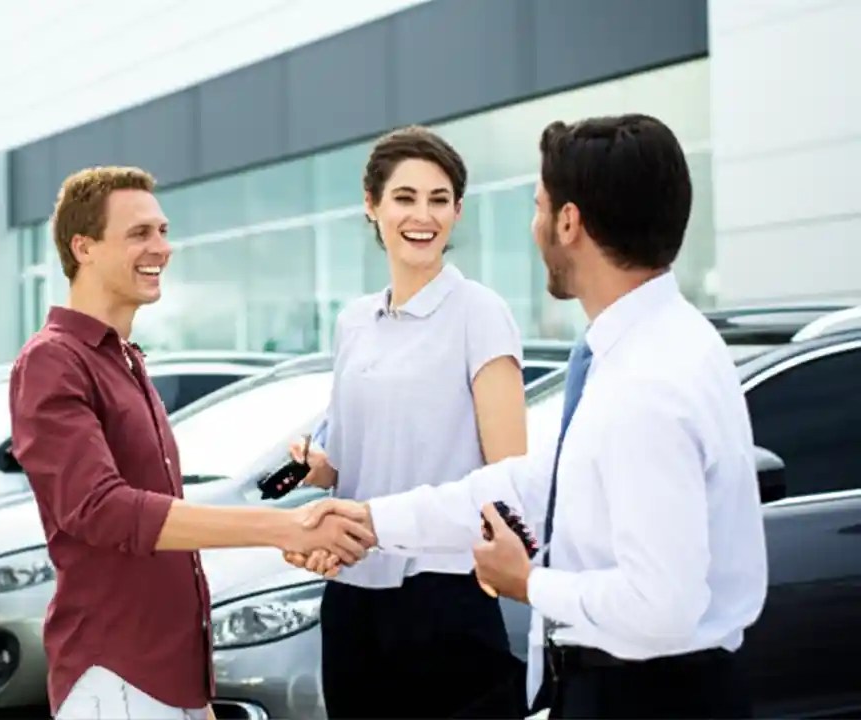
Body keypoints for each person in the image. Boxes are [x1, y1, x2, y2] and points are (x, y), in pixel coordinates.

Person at [295, 114, 768, 719]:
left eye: (539, 205)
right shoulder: (649, 348)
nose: (534, 223)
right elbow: (533, 482)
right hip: (630, 684)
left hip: (646, 693)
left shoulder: (649, 381)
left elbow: (661, 605)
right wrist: (368, 517)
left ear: (567, 222)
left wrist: (528, 584)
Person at [8, 166, 376, 720]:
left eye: (162, 231)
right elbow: (101, 509)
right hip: (113, 677)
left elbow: (162, 525)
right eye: (139, 234)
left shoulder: (125, 360)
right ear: (82, 247)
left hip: (167, 678)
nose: (162, 247)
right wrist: (284, 527)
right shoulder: (53, 359)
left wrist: (194, 696)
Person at [287, 125, 530, 719]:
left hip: (444, 594)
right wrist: (316, 469)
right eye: (405, 198)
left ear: (457, 211)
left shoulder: (480, 313)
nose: (423, 215)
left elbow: (509, 474)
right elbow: (346, 461)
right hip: (351, 594)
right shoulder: (353, 322)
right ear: (371, 206)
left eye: (439, 199)